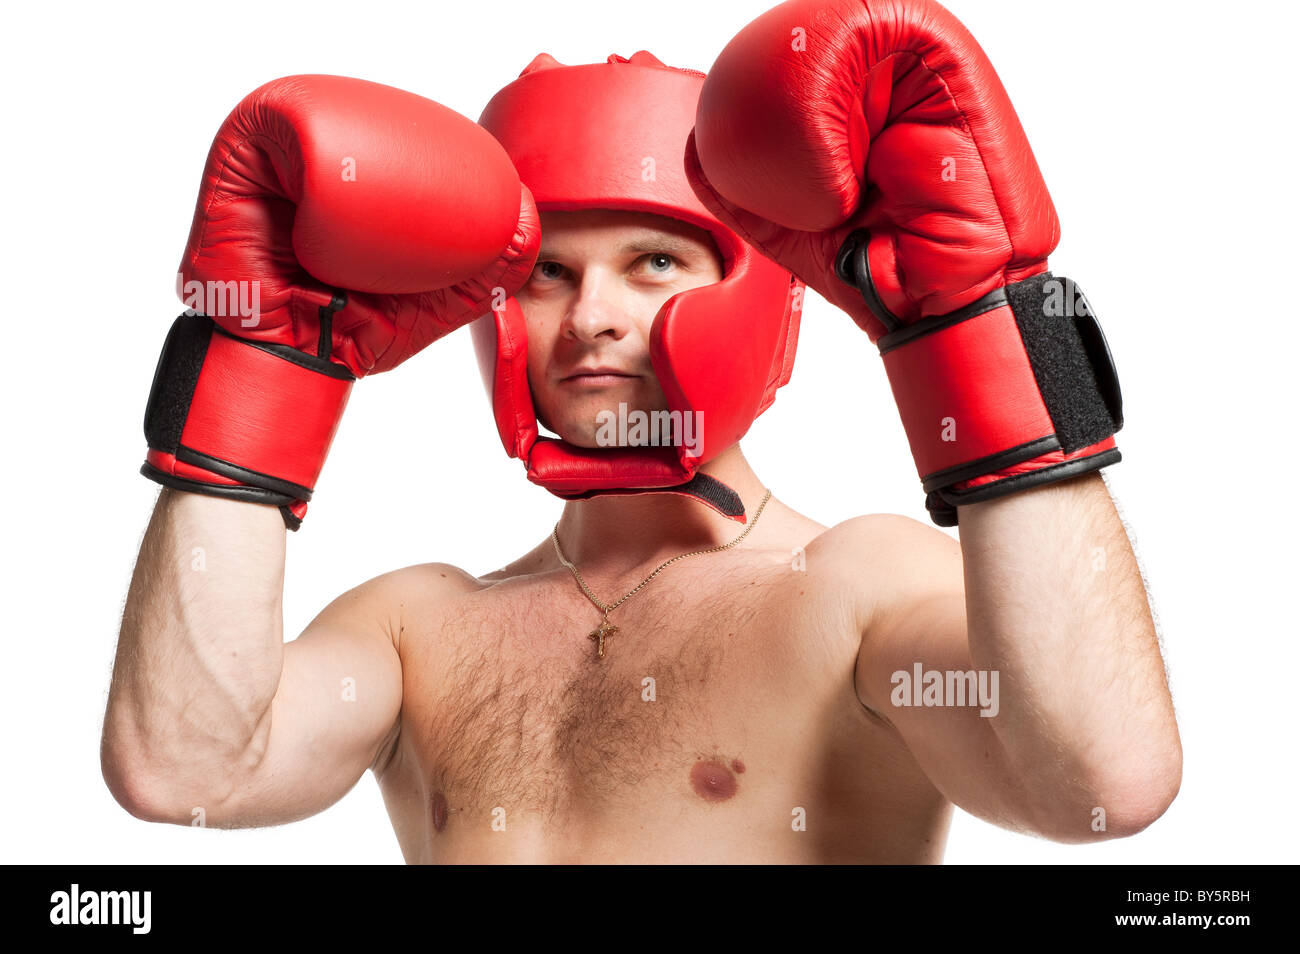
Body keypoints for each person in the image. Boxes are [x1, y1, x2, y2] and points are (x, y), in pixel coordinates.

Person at [103, 0, 1181, 864]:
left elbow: (1101, 785)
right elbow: (185, 773)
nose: (592, 318)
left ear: (767, 291)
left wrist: (974, 322)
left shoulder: (857, 590)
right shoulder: (412, 628)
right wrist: (263, 364)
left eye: (654, 262)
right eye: (544, 275)